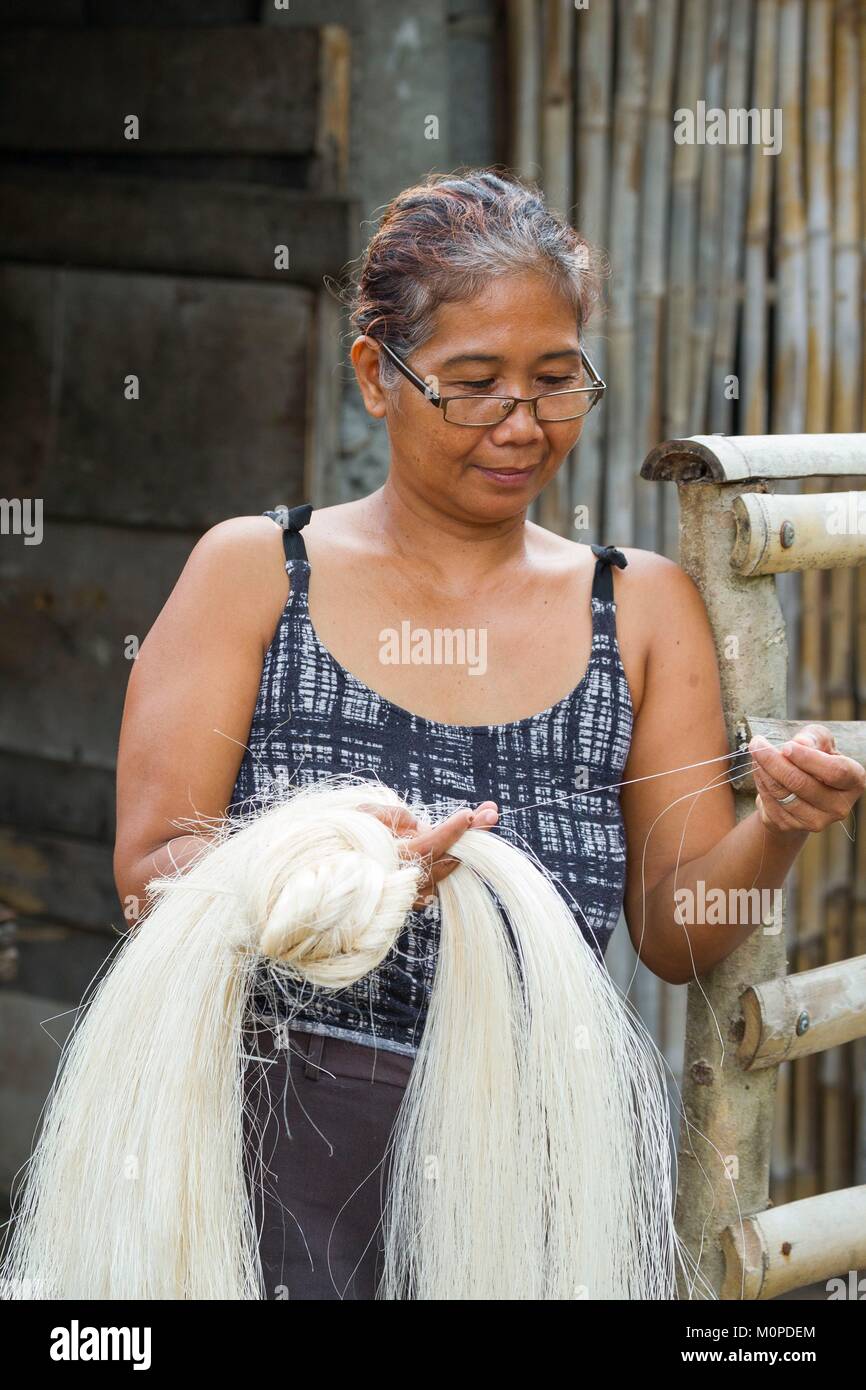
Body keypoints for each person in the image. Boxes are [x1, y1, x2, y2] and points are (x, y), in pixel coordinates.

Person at [113, 168, 865, 1300]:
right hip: (275, 1145)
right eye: (472, 384)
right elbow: (148, 880)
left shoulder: (640, 606)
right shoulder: (256, 573)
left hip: (537, 1159)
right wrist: (335, 886)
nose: (520, 424)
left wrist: (775, 825)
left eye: (557, 382)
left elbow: (674, 933)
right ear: (376, 373)